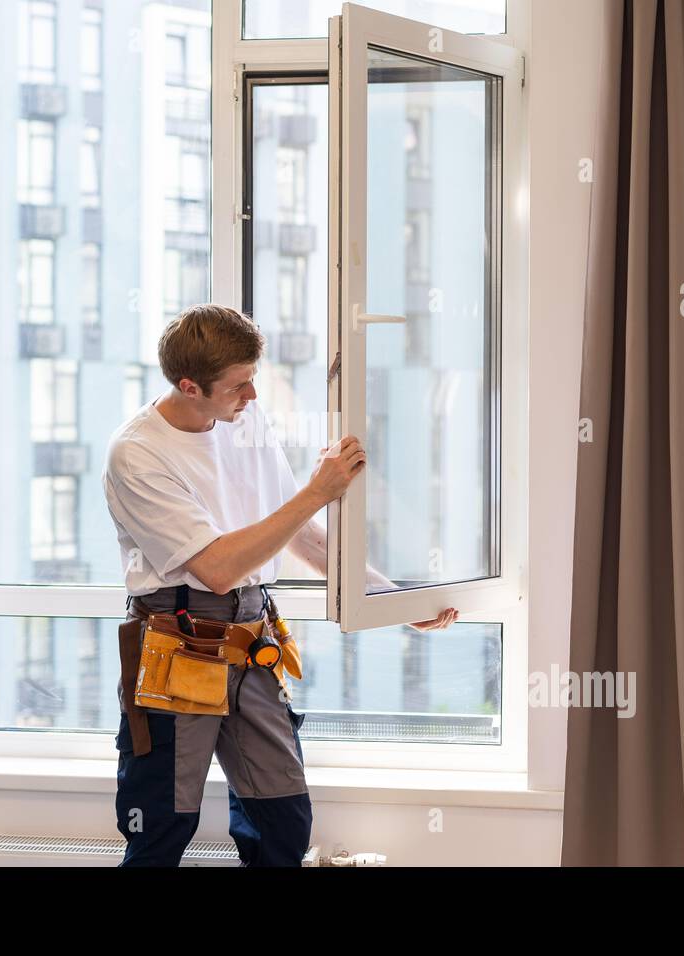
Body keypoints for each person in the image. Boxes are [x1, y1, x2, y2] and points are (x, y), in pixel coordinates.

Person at [101, 303, 458, 867]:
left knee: (283, 823)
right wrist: (317, 490)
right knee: (160, 831)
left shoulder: (242, 421)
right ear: (189, 386)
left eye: (254, 378)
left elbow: (294, 534)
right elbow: (215, 567)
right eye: (239, 385)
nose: (253, 396)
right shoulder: (137, 453)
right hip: (177, 646)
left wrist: (388, 599)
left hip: (250, 641)